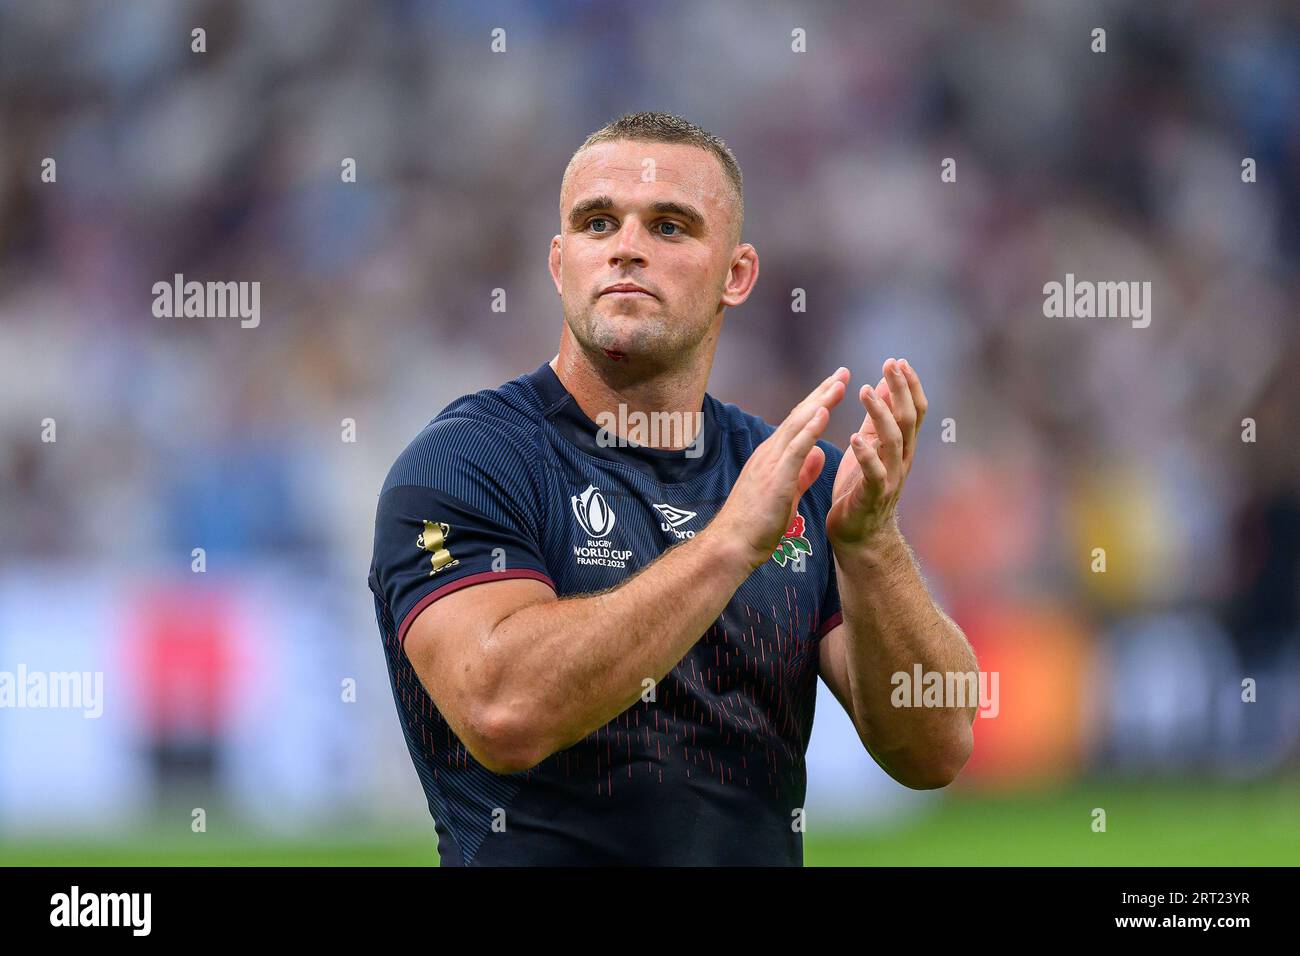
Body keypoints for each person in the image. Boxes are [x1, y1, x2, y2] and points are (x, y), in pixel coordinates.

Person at [368, 112, 977, 865]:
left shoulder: (796, 480)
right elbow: (503, 710)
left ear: (737, 275)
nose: (627, 247)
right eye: (598, 223)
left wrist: (873, 545)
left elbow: (938, 747)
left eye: (669, 226)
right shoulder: (466, 464)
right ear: (560, 265)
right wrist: (728, 545)